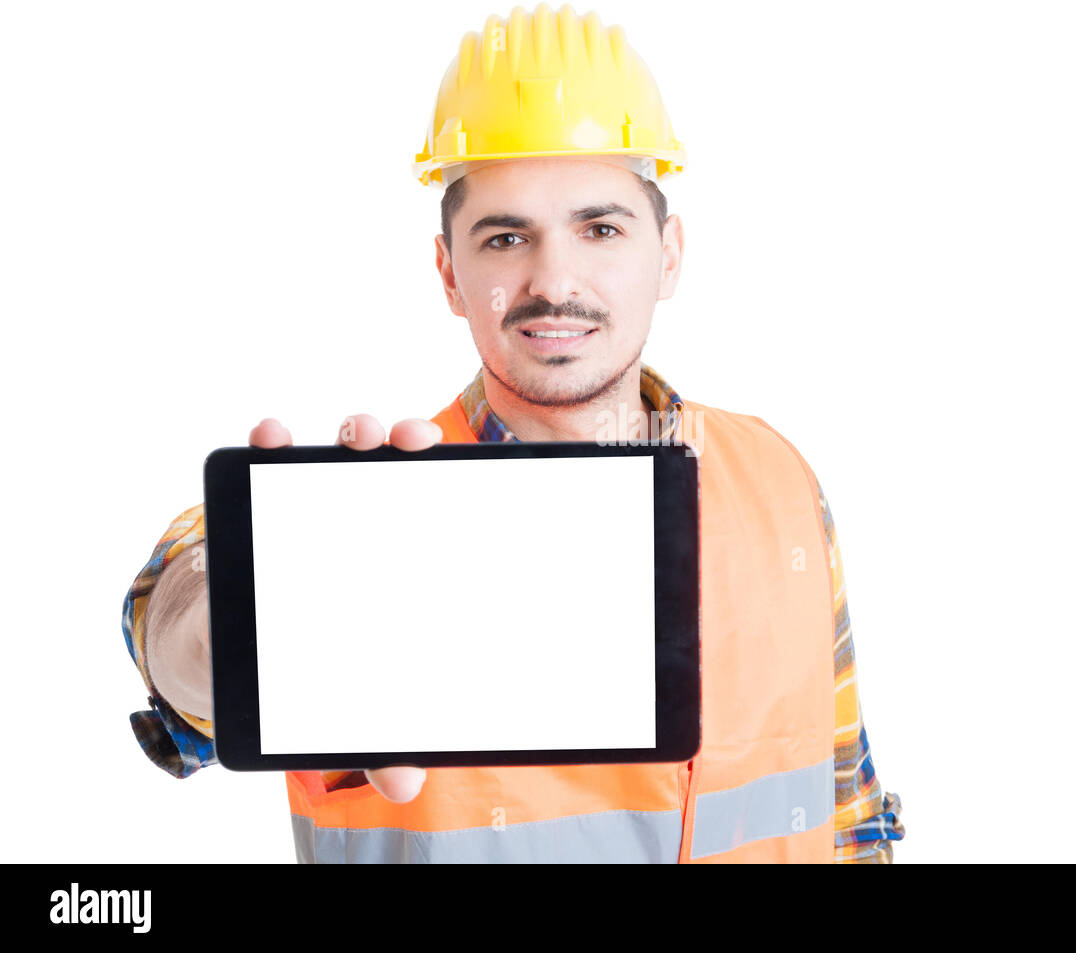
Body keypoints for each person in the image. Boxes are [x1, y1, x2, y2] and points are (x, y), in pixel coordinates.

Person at [121, 2, 905, 863]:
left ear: (670, 253)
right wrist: (245, 620)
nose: (554, 280)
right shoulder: (365, 516)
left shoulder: (780, 480)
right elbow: (182, 629)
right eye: (505, 238)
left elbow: (851, 813)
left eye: (600, 228)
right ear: (450, 273)